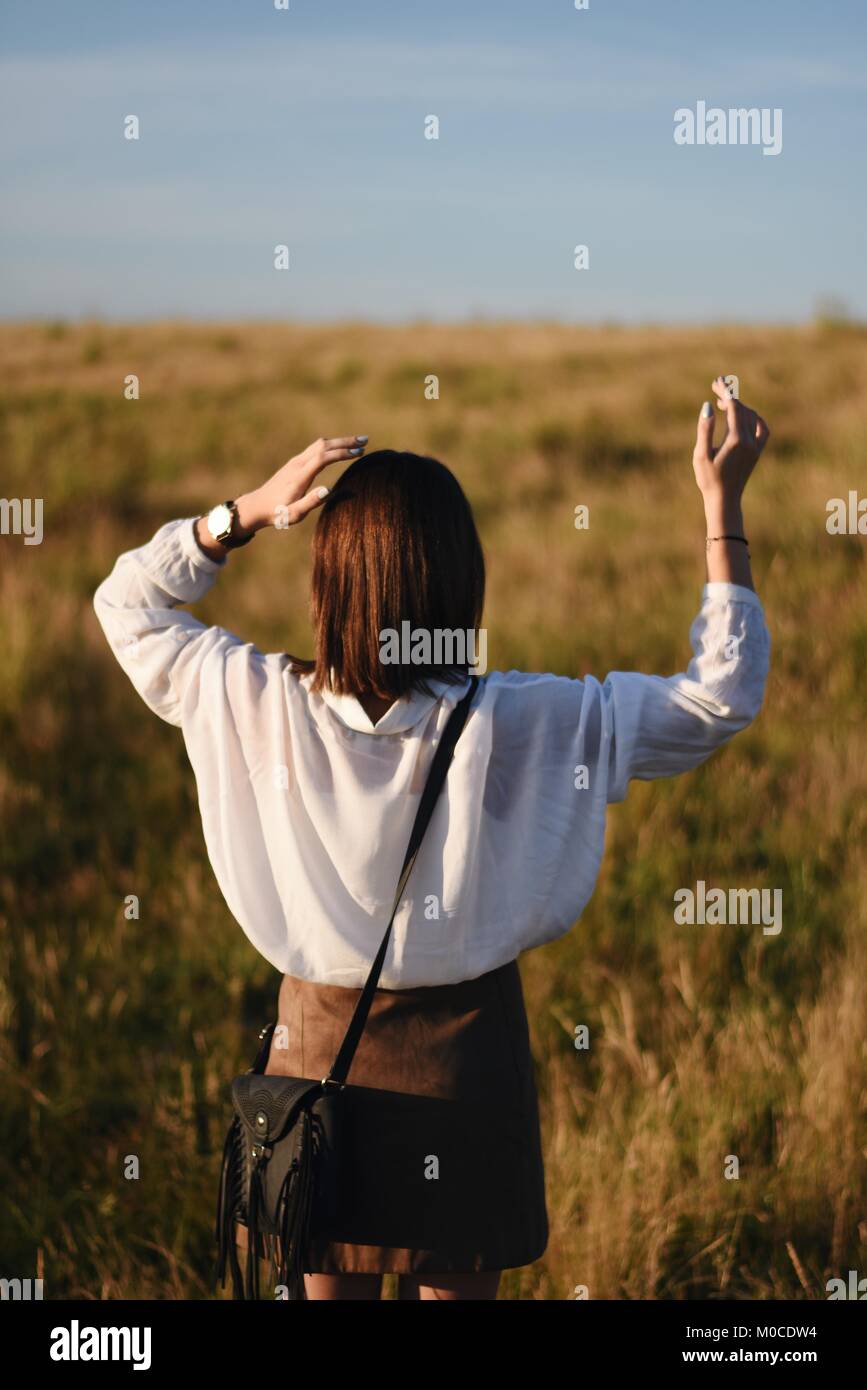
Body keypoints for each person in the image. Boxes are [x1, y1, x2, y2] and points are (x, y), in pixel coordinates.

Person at [93, 375, 770, 1300]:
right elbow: (717, 698)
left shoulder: (250, 698)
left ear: (327, 576)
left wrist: (242, 514)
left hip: (316, 1057)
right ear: (460, 580)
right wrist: (720, 505)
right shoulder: (531, 719)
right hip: (467, 1057)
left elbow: (126, 607)